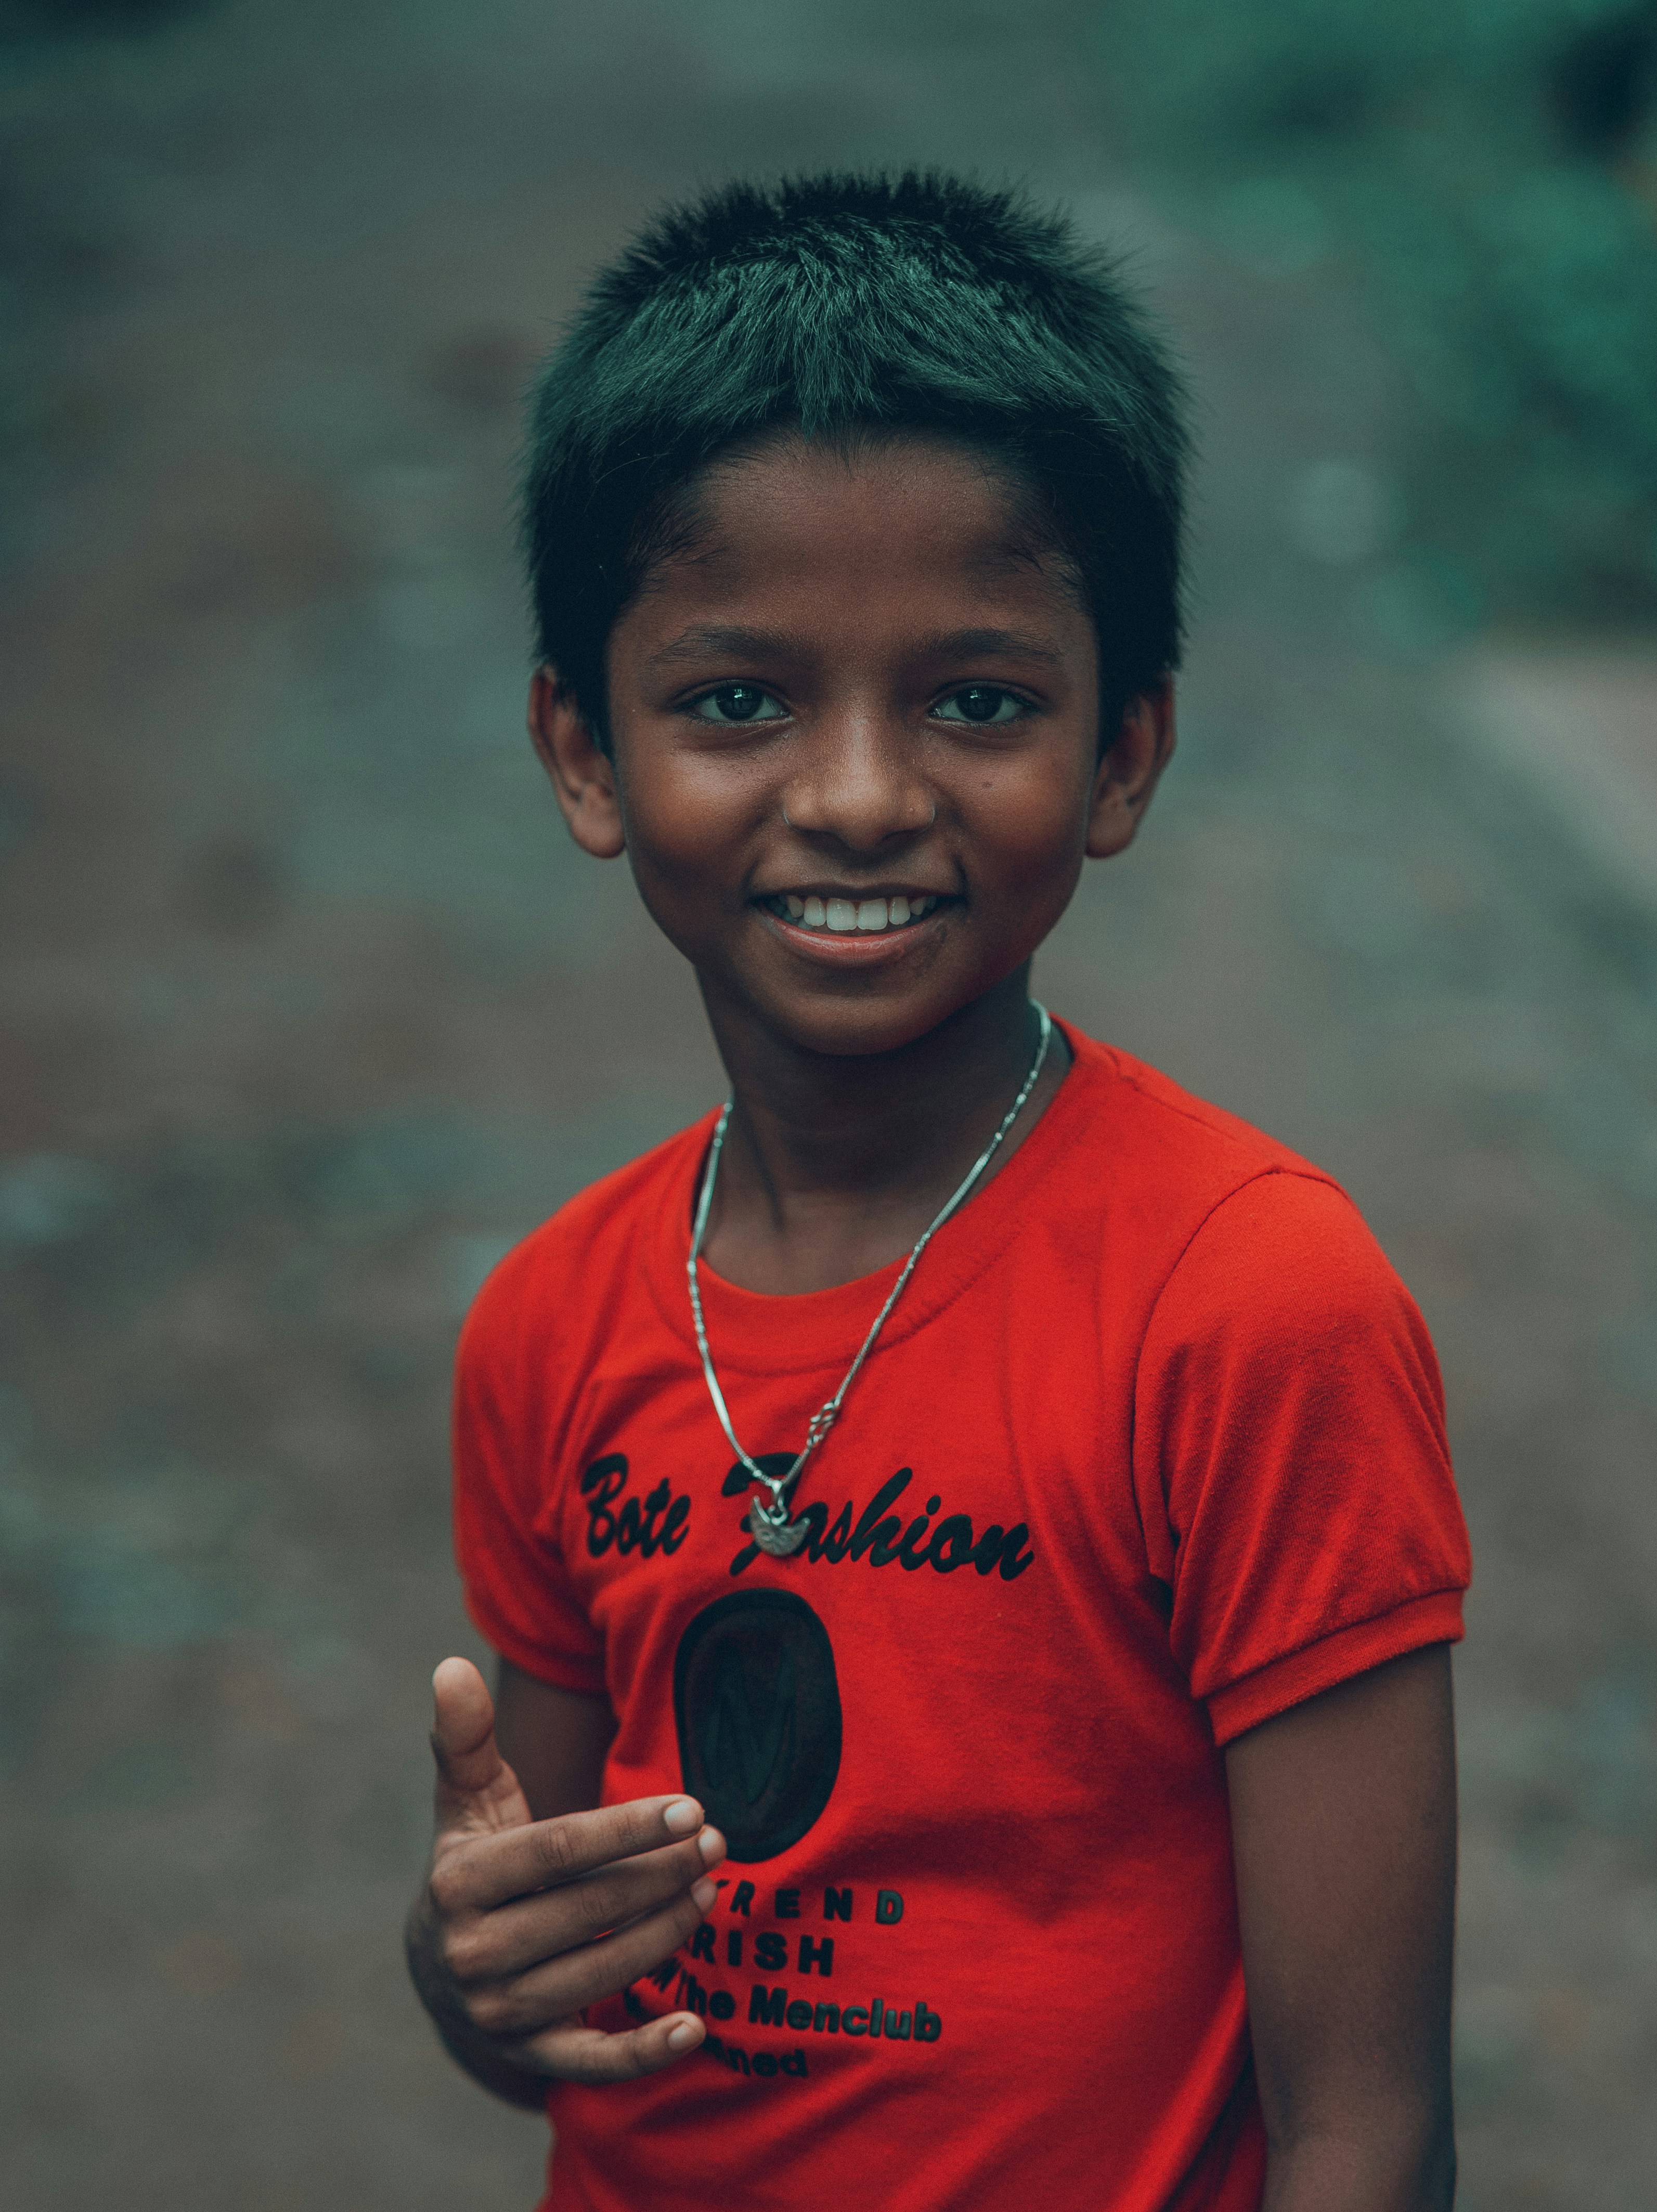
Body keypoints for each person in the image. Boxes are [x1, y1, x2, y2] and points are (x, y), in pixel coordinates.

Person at [405, 171, 1471, 2212]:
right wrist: (460, 1963)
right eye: (739, 698)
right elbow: (534, 1982)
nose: (864, 790)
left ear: (1121, 750)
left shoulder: (1245, 1300)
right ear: (584, 750)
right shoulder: (552, 1315)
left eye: (975, 697)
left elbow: (1365, 2124)